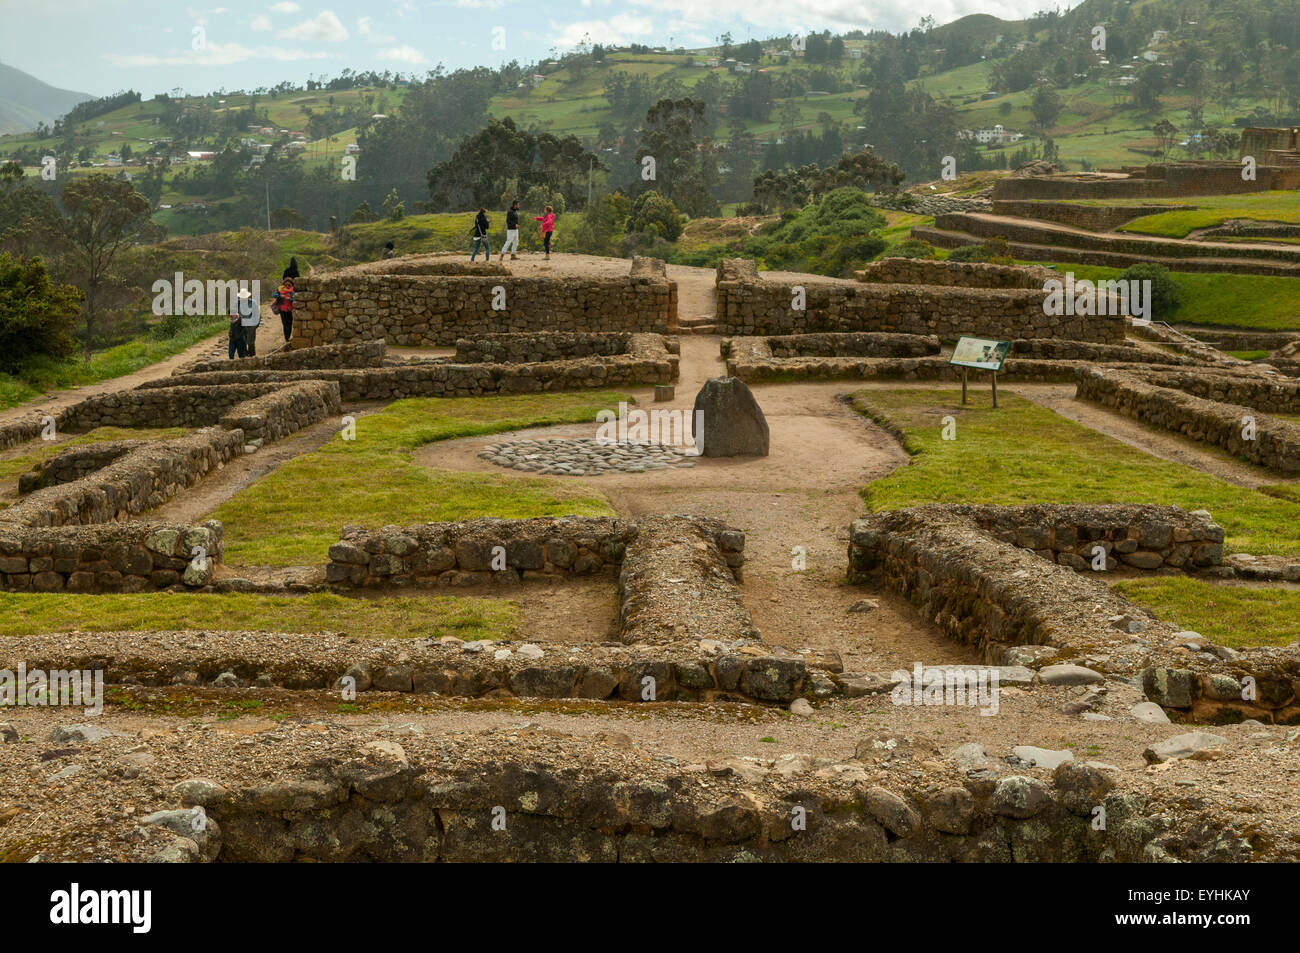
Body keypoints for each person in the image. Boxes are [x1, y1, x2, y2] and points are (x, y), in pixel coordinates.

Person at [236, 287, 260, 356]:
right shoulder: (237, 303)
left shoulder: (253, 303)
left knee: (251, 341)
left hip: (251, 324)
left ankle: (252, 354)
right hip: (241, 324)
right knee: (242, 340)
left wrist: (255, 325)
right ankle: (244, 354)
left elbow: (257, 314)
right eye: (241, 297)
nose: (243, 299)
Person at [273, 277, 295, 343]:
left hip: (291, 310)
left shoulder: (293, 291)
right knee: (285, 324)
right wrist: (280, 296)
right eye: (286, 285)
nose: (288, 286)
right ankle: (287, 338)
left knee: (290, 324)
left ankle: (288, 337)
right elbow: (274, 295)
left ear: (291, 285)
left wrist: (289, 299)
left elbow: (295, 299)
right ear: (284, 284)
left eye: (289, 285)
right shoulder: (280, 289)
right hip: (282, 310)